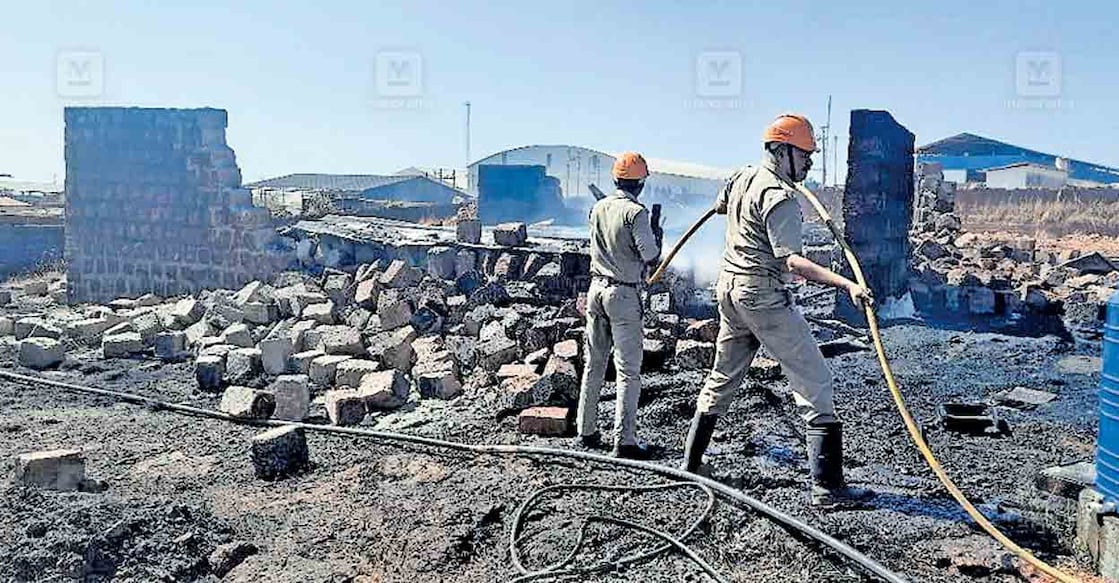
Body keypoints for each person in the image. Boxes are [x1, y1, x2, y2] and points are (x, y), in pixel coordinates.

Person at [681, 114, 874, 506]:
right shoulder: (781, 199)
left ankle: (691, 464)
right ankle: (828, 488)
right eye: (804, 156)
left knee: (723, 375)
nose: (809, 164)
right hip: (764, 298)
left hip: (731, 293)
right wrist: (847, 284)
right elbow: (794, 263)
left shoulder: (742, 178)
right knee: (815, 379)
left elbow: (721, 205)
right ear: (783, 151)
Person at [576, 151, 662, 459]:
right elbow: (650, 256)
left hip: (595, 290)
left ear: (615, 179)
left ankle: (585, 431)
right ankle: (624, 441)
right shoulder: (636, 213)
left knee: (594, 364)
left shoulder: (598, 208)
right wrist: (656, 240)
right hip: (623, 295)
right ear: (640, 183)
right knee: (628, 372)